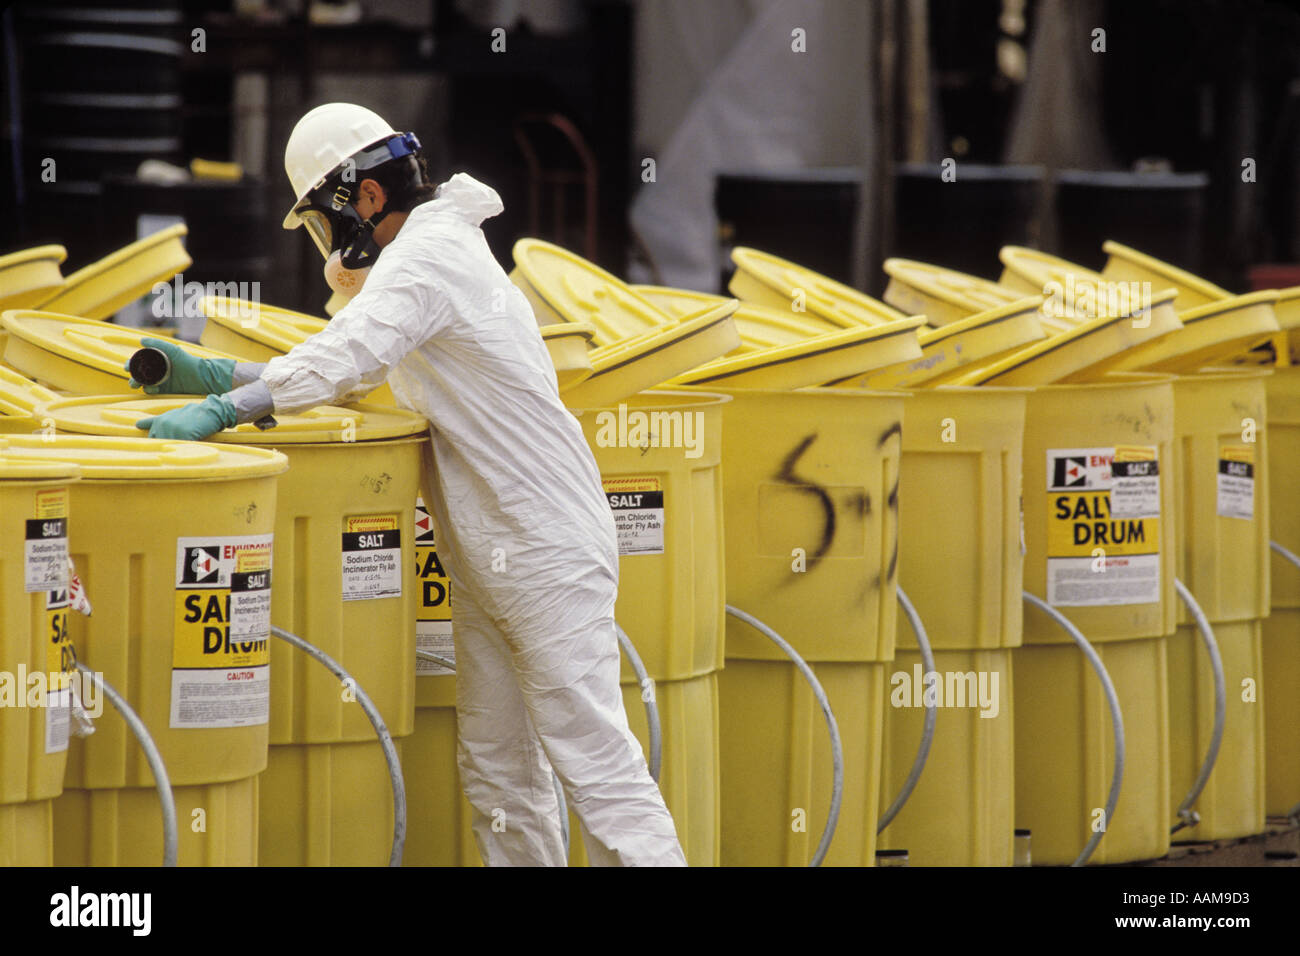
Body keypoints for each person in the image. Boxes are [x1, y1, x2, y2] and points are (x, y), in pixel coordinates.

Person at [133, 102, 686, 867]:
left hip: (543, 548)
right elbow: (359, 366)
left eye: (326, 219)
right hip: (498, 549)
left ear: (362, 197)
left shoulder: (430, 257)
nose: (333, 243)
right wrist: (224, 373)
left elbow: (347, 358)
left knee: (595, 765)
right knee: (500, 775)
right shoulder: (430, 257)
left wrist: (227, 407)